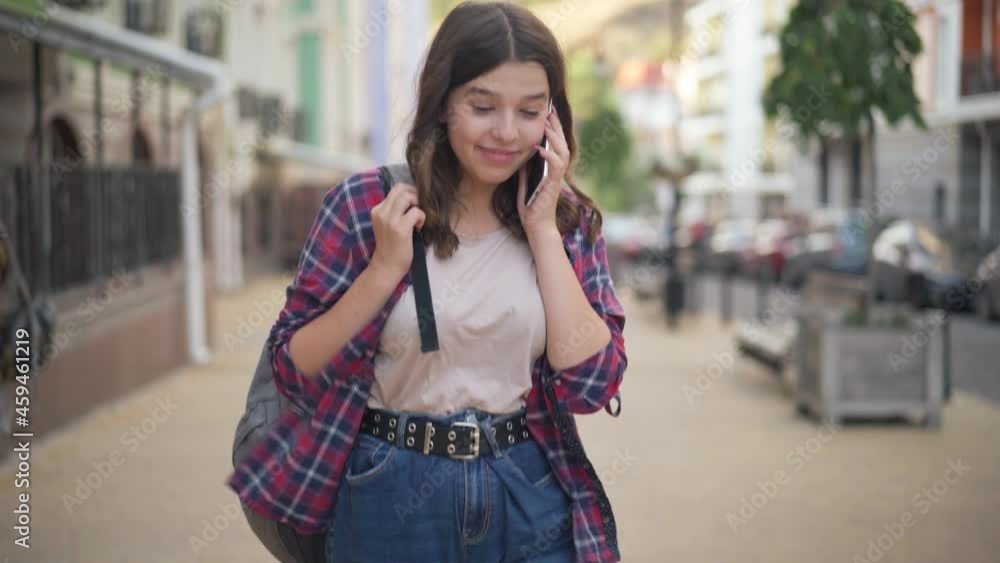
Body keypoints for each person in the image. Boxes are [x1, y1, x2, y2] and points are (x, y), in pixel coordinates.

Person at [227, 3, 628, 562]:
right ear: (443, 104)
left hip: (526, 485)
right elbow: (295, 371)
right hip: (392, 490)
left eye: (530, 110)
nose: (507, 132)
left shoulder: (565, 223)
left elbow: (593, 386)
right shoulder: (365, 205)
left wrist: (541, 230)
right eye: (482, 106)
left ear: (552, 120)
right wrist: (383, 271)